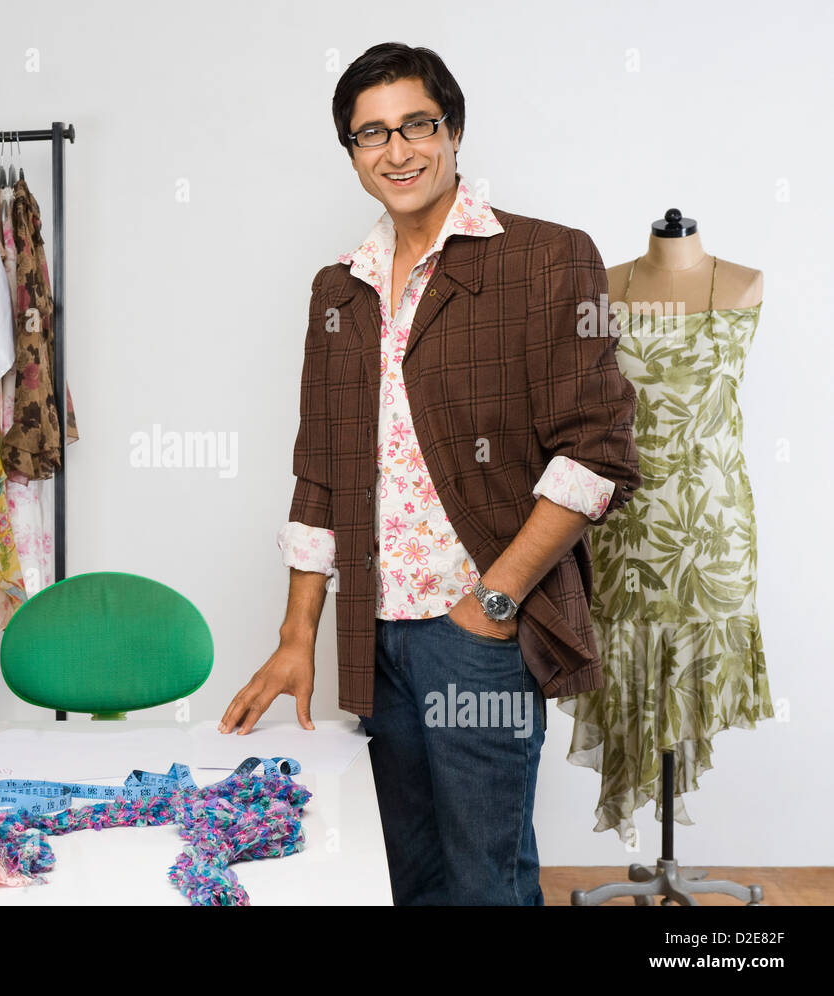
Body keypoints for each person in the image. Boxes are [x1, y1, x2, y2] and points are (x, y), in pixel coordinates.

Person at [218, 42, 642, 906]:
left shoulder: (544, 260)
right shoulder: (338, 290)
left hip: (479, 630)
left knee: (486, 881)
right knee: (402, 877)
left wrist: (493, 602)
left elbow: (596, 455)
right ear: (352, 153)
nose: (397, 149)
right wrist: (299, 632)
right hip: (375, 633)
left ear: (453, 130)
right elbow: (321, 470)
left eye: (416, 124)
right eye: (370, 133)